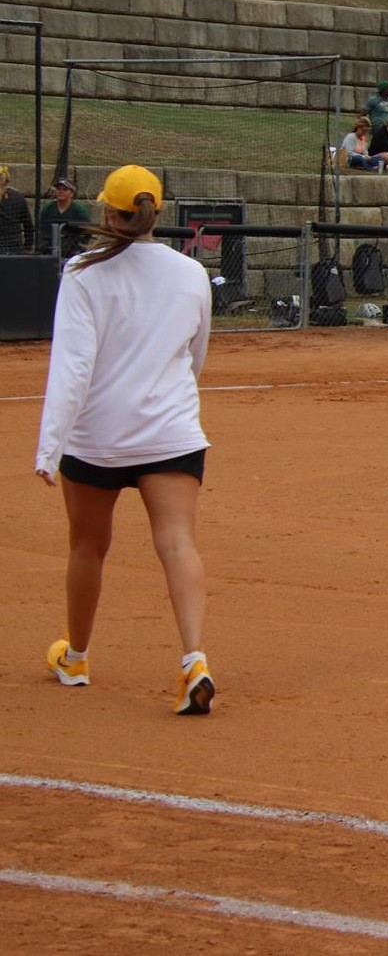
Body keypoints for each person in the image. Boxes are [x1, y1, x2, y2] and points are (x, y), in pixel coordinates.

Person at [35, 164, 217, 715]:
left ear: (108, 213)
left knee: (87, 547)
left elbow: (72, 366)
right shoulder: (191, 272)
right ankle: (195, 661)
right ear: (156, 212)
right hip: (170, 431)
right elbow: (196, 356)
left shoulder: (82, 272)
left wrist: (49, 446)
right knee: (178, 543)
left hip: (98, 436)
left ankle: (77, 658)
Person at [39, 177, 91, 258]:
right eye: (59, 189)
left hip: (72, 252)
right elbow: (42, 230)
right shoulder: (47, 208)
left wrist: (77, 248)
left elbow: (87, 232)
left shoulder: (79, 210)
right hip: (49, 250)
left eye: (65, 189)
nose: (61, 192)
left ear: (72, 193)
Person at [0, 165, 34, 253]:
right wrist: (28, 245)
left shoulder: (17, 197)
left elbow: (28, 224)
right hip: (14, 246)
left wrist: (28, 245)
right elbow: (28, 224)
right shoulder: (18, 197)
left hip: (11, 245)